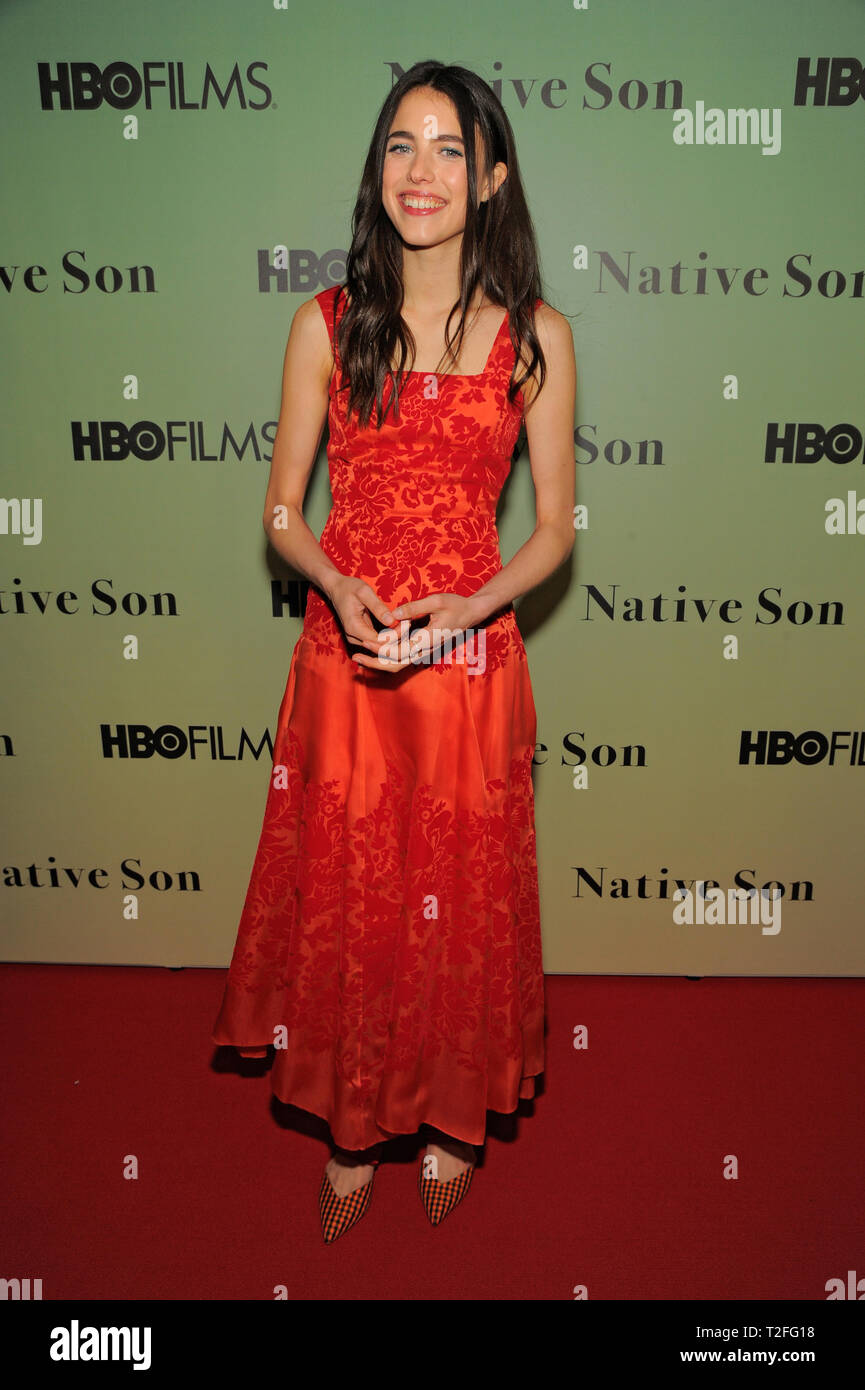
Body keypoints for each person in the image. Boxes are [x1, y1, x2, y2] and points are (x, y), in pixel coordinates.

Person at [212, 58, 576, 1243]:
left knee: (457, 903)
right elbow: (279, 511)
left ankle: (453, 1115)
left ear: (492, 178)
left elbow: (556, 531)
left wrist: (466, 610)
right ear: (378, 172)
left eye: (449, 149)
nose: (422, 171)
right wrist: (332, 576)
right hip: (350, 660)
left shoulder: (537, 339)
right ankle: (354, 1123)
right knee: (358, 903)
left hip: (466, 674)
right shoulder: (323, 323)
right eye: (401, 146)